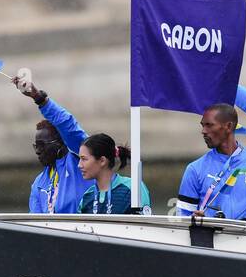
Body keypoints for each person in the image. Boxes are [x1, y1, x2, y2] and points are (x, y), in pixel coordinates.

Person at [176, 103, 246, 222]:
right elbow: (182, 218)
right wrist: (195, 221)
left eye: (209, 125)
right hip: (211, 239)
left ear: (229, 126)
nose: (203, 131)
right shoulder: (194, 169)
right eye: (203, 126)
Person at [14, 77, 93, 214]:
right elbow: (35, 225)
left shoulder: (80, 162)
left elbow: (68, 125)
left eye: (42, 145)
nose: (38, 151)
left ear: (60, 143)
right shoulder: (38, 184)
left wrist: (38, 98)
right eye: (36, 146)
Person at [77, 133, 151, 215]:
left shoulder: (134, 188)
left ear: (102, 161)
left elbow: (144, 226)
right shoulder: (87, 196)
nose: (79, 165)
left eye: (84, 159)